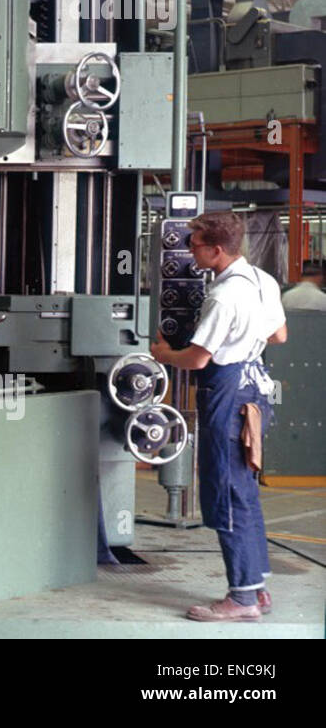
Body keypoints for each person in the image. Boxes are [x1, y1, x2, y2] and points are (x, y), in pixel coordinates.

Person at [150, 211, 285, 622]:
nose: (189, 253)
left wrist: (162, 355)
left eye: (195, 246)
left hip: (226, 392)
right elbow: (279, 335)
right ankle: (255, 588)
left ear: (217, 250)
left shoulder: (224, 296)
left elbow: (196, 358)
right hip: (254, 389)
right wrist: (245, 338)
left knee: (226, 493)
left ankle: (241, 600)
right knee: (244, 492)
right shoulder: (263, 280)